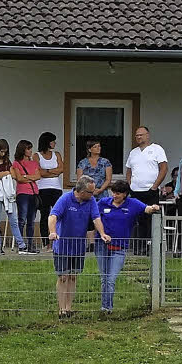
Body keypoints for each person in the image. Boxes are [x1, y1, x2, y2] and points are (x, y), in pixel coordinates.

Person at [47, 176, 111, 317]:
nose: (93, 195)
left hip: (78, 246)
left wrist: (102, 233)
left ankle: (69, 308)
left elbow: (96, 218)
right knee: (63, 277)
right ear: (81, 192)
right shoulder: (65, 199)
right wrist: (53, 232)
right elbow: (53, 216)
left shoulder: (91, 201)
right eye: (90, 192)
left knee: (73, 276)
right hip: (62, 245)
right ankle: (61, 309)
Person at [95, 181, 161, 312]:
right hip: (102, 245)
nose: (114, 195)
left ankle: (108, 307)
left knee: (111, 278)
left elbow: (146, 209)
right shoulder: (103, 202)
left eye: (118, 193)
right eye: (113, 192)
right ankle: (105, 307)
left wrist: (154, 207)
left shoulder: (133, 203)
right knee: (104, 278)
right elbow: (93, 215)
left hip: (120, 247)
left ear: (125, 194)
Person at [125, 126, 169, 254]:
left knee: (150, 219)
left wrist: (155, 186)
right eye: (137, 135)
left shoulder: (157, 149)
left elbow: (164, 168)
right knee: (137, 219)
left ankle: (151, 247)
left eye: (141, 135)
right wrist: (130, 184)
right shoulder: (133, 152)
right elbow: (128, 170)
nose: (139, 137)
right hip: (135, 191)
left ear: (147, 135)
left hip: (150, 191)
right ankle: (138, 247)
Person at [0, 139, 26, 255]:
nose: (3, 154)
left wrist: (5, 173)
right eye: (1, 151)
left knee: (14, 219)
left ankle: (21, 245)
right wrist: (6, 173)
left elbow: (13, 175)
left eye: (5, 152)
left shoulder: (7, 161)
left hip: (8, 192)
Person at [11, 140, 41, 254]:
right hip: (22, 193)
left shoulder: (34, 163)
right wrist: (30, 177)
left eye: (30, 148)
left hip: (34, 193)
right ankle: (21, 244)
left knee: (31, 221)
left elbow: (38, 176)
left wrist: (26, 176)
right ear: (22, 150)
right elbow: (19, 178)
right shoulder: (16, 163)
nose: (30, 151)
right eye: (28, 149)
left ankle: (30, 245)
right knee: (22, 219)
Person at [36, 132, 66, 250]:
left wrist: (47, 171)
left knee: (58, 214)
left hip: (56, 188)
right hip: (42, 189)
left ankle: (58, 240)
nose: (54, 143)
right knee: (44, 215)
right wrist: (53, 171)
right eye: (53, 141)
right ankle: (45, 242)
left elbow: (61, 169)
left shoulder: (56, 154)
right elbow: (39, 172)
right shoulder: (37, 155)